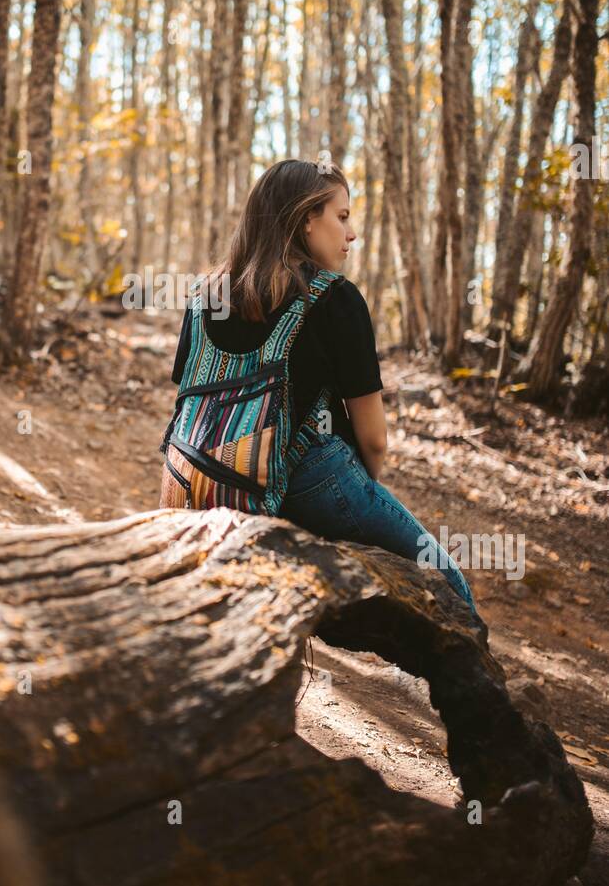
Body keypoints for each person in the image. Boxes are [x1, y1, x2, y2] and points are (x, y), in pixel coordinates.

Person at [168, 158, 485, 631]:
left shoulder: (203, 294)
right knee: (444, 576)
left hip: (196, 479)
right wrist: (363, 488)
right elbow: (373, 438)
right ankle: (484, 695)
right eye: (342, 217)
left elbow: (189, 394)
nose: (351, 234)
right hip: (311, 478)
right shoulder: (334, 297)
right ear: (305, 219)